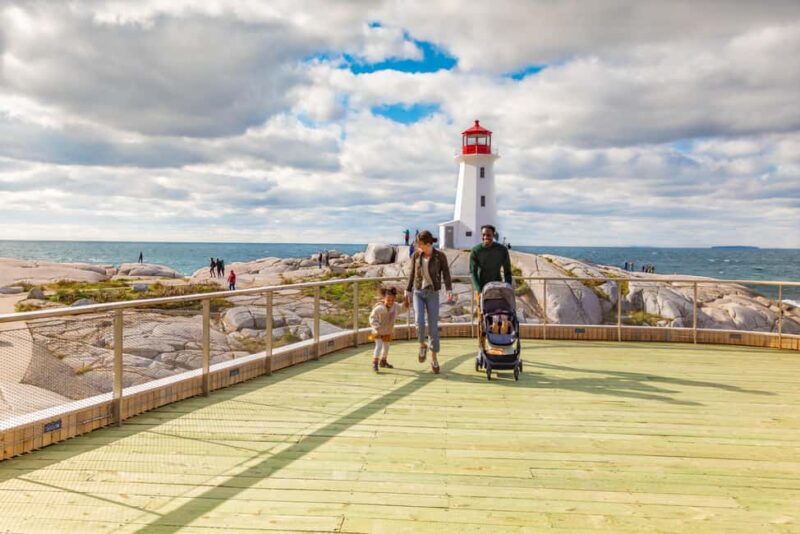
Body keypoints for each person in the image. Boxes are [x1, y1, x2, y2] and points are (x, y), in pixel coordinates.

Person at [404, 230, 453, 374]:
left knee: (433, 327)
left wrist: (449, 290)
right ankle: (422, 345)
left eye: (420, 244)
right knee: (419, 322)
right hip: (418, 292)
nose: (417, 246)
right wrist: (407, 290)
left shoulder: (440, 256)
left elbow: (446, 273)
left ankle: (434, 358)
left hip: (432, 293)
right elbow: (412, 273)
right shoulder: (416, 255)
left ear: (428, 244)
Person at [469, 225, 513, 295]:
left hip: (498, 287)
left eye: (488, 235)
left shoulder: (502, 250)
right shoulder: (476, 251)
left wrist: (508, 288)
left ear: (493, 235)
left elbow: (507, 271)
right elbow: (473, 272)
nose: (485, 237)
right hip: (482, 288)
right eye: (483, 235)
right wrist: (479, 290)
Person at [369, 286, 399, 373]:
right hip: (378, 331)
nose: (390, 302)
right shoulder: (379, 308)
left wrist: (406, 304)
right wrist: (376, 327)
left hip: (387, 331)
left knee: (386, 347)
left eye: (392, 300)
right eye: (388, 300)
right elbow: (372, 317)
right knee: (379, 346)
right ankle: (375, 362)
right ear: (384, 299)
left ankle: (383, 361)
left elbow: (402, 308)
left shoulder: (395, 307)